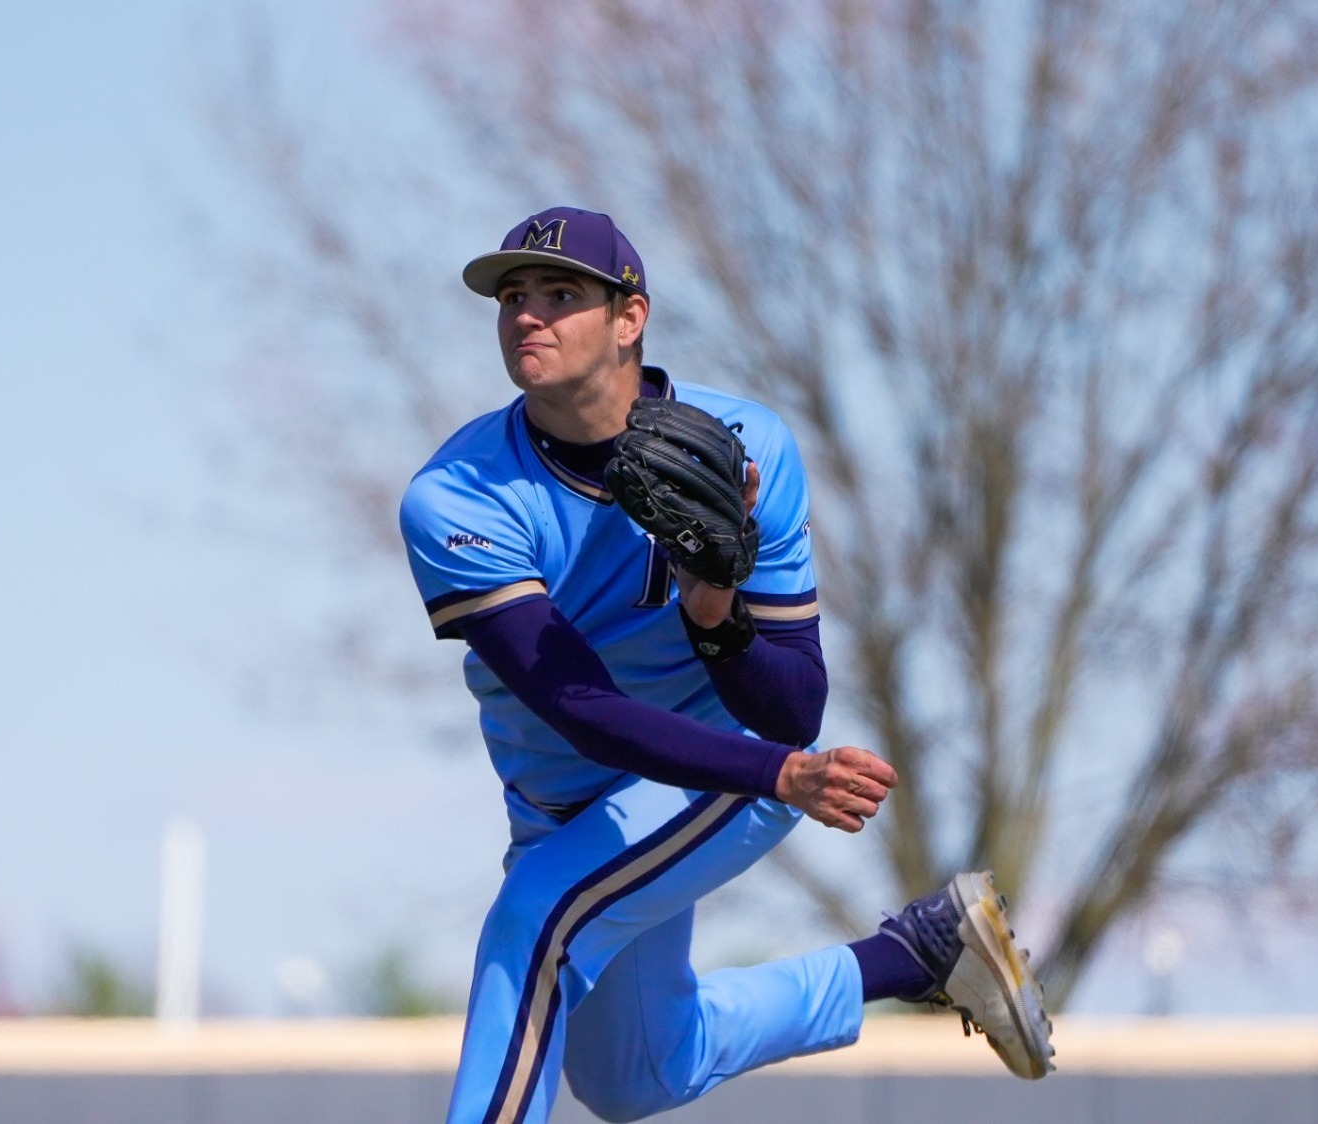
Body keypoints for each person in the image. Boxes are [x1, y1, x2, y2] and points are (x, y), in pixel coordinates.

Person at [399, 206, 1054, 1124]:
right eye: (512, 295)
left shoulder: (747, 447)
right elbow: (574, 703)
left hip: (722, 761)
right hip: (599, 799)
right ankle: (915, 957)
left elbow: (793, 704)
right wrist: (780, 772)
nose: (527, 315)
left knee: (534, 924)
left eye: (561, 293)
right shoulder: (456, 495)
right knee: (638, 1076)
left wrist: (715, 614)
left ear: (632, 317)